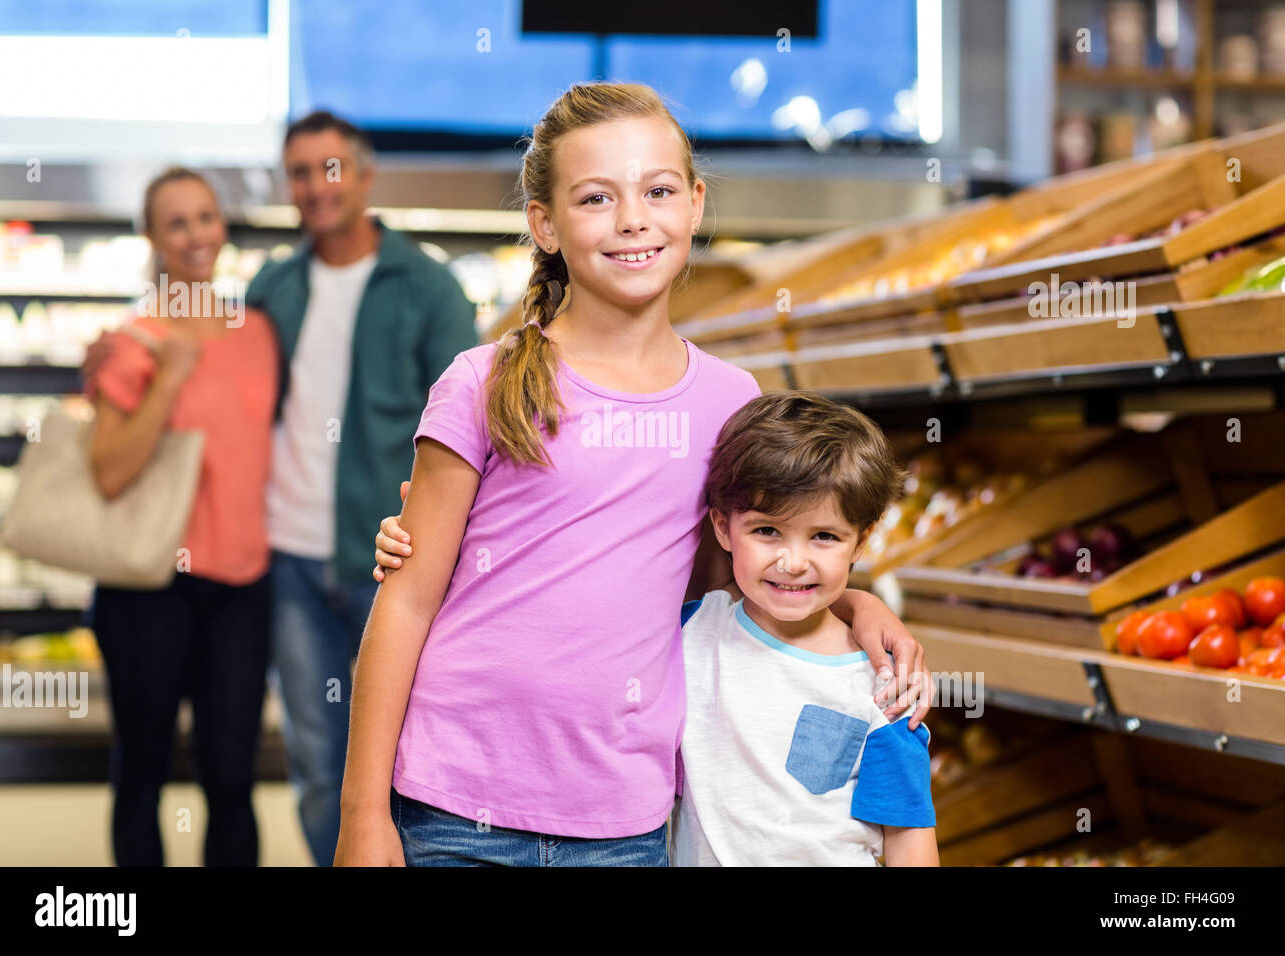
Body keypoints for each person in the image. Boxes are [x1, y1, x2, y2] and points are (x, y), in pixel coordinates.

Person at [340, 81, 931, 867]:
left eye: (657, 190)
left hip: (622, 822)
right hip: (452, 804)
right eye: (595, 198)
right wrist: (362, 812)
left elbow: (735, 578)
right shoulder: (482, 382)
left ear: (693, 203)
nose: (632, 220)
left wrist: (858, 607)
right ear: (544, 225)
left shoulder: (730, 402)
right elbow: (406, 603)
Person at [83, 111, 480, 867]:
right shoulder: (270, 293)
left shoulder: (420, 289)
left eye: (331, 169)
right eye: (300, 172)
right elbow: (136, 431)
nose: (317, 187)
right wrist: (121, 360)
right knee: (311, 768)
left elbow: (472, 423)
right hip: (268, 568)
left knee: (394, 766)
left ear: (364, 176)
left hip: (382, 561)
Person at [86, 167, 279, 866]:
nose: (195, 235)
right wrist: (168, 378)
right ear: (152, 237)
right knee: (141, 775)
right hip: (148, 588)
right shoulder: (133, 342)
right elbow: (109, 472)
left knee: (231, 778)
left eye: (205, 217)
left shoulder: (257, 332)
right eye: (176, 222)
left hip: (242, 586)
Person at [671, 390, 939, 866]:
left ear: (861, 542)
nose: (792, 563)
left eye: (824, 536)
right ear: (721, 526)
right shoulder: (693, 634)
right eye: (767, 531)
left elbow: (908, 835)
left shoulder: (884, 687)